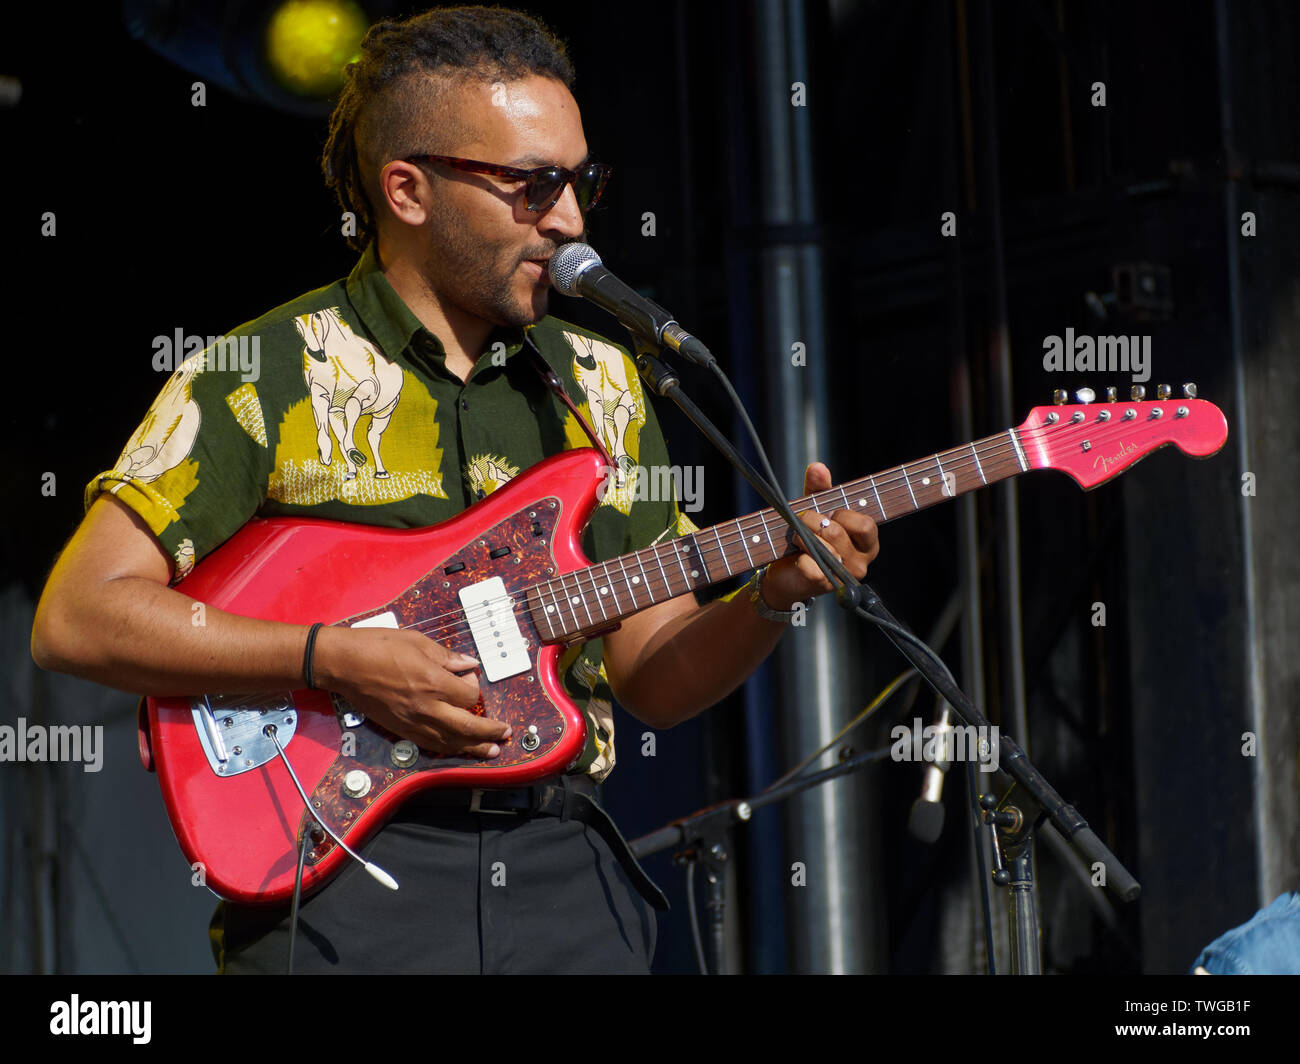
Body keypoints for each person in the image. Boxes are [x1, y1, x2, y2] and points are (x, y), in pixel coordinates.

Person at [30, 5, 879, 974]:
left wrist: (770, 596)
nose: (566, 218)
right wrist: (334, 657)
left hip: (567, 871)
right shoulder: (263, 372)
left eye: (580, 183)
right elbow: (77, 617)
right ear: (408, 189)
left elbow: (656, 679)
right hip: (348, 876)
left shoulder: (601, 380)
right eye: (531, 185)